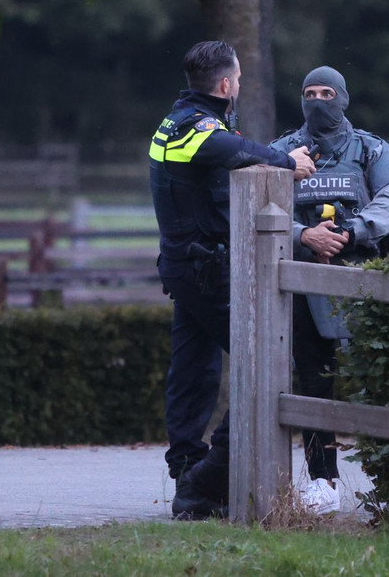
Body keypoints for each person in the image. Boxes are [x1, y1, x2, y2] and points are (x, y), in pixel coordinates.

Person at [150, 40, 316, 520]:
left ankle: (187, 474)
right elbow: (234, 149)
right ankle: (205, 482)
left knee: (194, 373)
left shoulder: (174, 119)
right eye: (239, 79)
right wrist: (288, 163)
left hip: (187, 268)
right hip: (202, 272)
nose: (240, 86)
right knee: (265, 363)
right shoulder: (194, 128)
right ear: (225, 85)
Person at [269, 66, 389, 515]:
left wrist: (350, 232)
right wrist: (302, 234)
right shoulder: (281, 152)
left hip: (366, 284)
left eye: (327, 92)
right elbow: (255, 202)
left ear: (344, 98)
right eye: (309, 93)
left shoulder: (371, 148)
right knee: (313, 380)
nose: (317, 100)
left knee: (380, 381)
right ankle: (323, 481)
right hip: (303, 287)